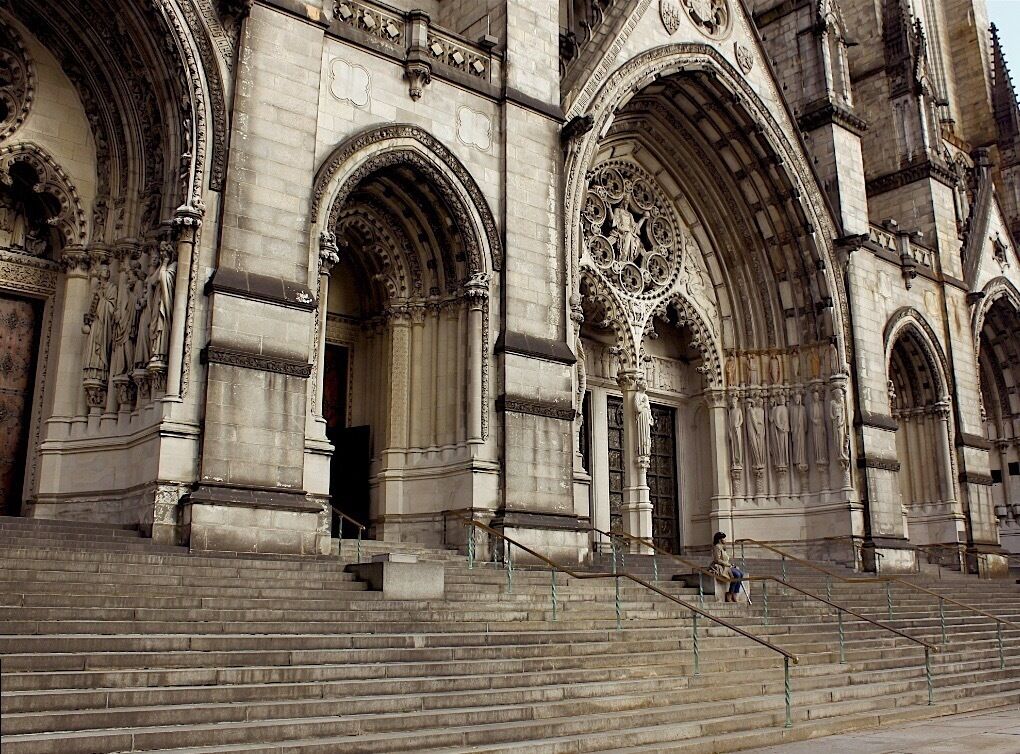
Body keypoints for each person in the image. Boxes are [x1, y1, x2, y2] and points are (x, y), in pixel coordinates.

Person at [711, 531, 744, 602]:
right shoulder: (717, 547)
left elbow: (726, 559)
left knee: (741, 574)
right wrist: (728, 565)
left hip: (727, 566)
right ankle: (730, 593)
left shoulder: (723, 547)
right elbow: (717, 560)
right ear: (720, 539)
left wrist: (731, 565)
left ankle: (735, 593)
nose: (725, 540)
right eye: (724, 538)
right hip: (722, 566)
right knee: (737, 575)